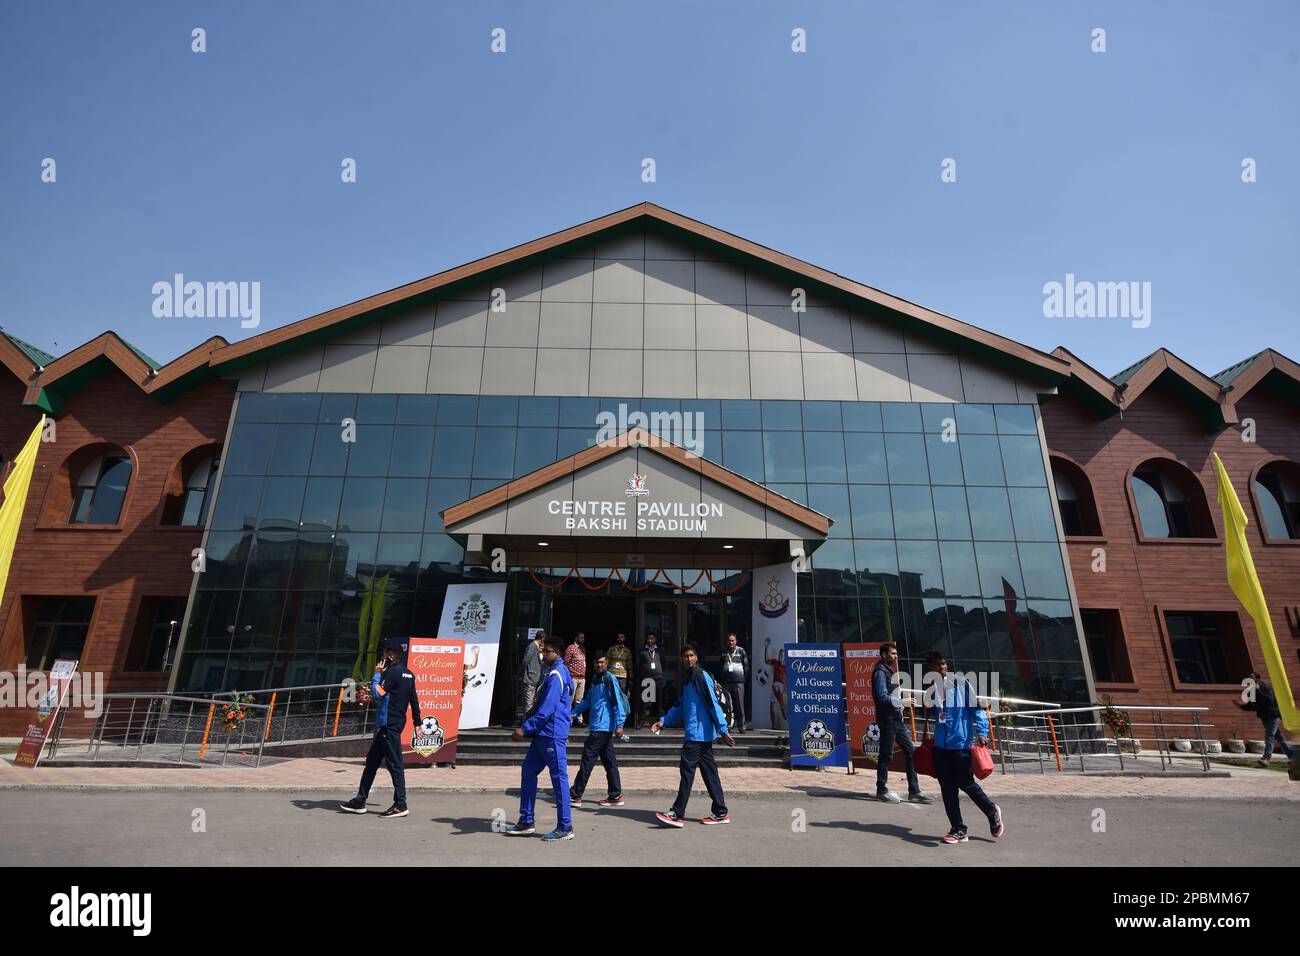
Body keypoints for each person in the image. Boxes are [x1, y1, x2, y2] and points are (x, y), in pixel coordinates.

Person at [652, 645, 735, 827]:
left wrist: (723, 729)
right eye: (685, 656)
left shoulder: (700, 676)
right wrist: (664, 721)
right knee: (710, 774)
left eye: (691, 655)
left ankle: (677, 813)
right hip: (700, 736)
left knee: (687, 772)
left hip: (697, 736)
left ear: (696, 657)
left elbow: (712, 703)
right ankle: (720, 812)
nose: (688, 659)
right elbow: (681, 707)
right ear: (682, 659)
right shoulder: (689, 680)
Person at [925, 652, 1002, 844]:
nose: (941, 667)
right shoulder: (932, 689)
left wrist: (982, 732)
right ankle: (958, 829)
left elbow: (978, 709)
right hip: (941, 747)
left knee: (966, 783)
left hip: (961, 744)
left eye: (943, 664)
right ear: (931, 669)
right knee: (947, 788)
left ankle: (991, 811)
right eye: (937, 665)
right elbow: (934, 712)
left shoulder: (961, 684)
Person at [506, 635, 576, 841]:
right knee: (528, 771)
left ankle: (565, 826)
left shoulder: (556, 675)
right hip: (543, 735)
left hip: (551, 734)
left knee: (559, 779)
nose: (543, 654)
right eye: (543, 650)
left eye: (548, 651)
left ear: (558, 653)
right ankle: (526, 820)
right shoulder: (552, 672)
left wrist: (524, 729)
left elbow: (546, 710)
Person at [340, 641, 421, 818]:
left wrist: (377, 674)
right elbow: (413, 699)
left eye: (384, 655)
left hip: (389, 726)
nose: (381, 658)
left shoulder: (392, 673)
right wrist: (418, 722)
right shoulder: (408, 674)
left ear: (390, 656)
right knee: (371, 763)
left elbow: (378, 693)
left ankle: (401, 804)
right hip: (393, 724)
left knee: (395, 765)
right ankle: (360, 800)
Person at [871, 642, 931, 804]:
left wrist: (899, 705)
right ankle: (881, 790)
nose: (896, 656)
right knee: (886, 754)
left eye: (896, 653)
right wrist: (901, 701)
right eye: (893, 653)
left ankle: (914, 791)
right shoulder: (880, 672)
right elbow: (881, 696)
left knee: (911, 751)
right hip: (887, 719)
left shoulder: (888, 671)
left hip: (895, 718)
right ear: (884, 655)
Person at [570, 654, 629, 808]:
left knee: (587, 760)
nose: (599, 665)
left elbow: (617, 703)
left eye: (602, 662)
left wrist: (620, 724)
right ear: (593, 663)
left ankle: (576, 794)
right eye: (597, 662)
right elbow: (587, 701)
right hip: (599, 727)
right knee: (610, 763)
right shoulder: (595, 679)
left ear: (607, 663)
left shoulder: (610, 679)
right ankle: (615, 795)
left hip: (602, 728)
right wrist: (573, 712)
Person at [1235, 671, 1294, 766]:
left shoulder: (1266, 688)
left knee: (1269, 736)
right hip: (1264, 717)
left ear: (1257, 679)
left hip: (1273, 715)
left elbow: (1269, 701)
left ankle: (1267, 758)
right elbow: (1252, 706)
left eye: (1251, 677)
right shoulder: (1252, 691)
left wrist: (1258, 690)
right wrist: (1240, 706)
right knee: (1279, 738)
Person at [719, 632, 748, 731]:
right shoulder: (723, 651)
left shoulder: (741, 651)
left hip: (738, 681)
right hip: (726, 682)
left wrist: (742, 676)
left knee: (739, 704)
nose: (731, 642)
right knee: (727, 705)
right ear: (727, 641)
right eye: (729, 641)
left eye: (733, 640)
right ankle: (728, 725)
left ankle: (742, 726)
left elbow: (746, 665)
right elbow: (721, 664)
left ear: (736, 641)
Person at [637, 631, 665, 729]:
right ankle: (642, 720)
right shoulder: (642, 651)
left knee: (659, 701)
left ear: (655, 639)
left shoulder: (660, 650)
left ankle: (660, 722)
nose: (650, 640)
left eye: (652, 638)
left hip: (658, 678)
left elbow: (664, 662)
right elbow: (639, 665)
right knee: (645, 700)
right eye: (648, 638)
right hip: (646, 678)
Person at [763, 638, 788, 729]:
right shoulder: (775, 662)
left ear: (785, 656)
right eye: (780, 655)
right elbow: (766, 660)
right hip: (775, 684)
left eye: (782, 655)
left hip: (782, 687)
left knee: (777, 687)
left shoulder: (786, 665)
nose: (780, 656)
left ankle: (782, 706)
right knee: (772, 705)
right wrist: (766, 648)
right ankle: (773, 724)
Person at [519, 631, 544, 717]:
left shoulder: (536, 647)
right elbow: (526, 661)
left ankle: (525, 721)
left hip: (533, 678)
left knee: (529, 702)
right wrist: (521, 672)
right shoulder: (532, 647)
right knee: (528, 702)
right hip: (530, 677)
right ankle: (526, 723)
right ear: (542, 638)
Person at [566, 632, 588, 726]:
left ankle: (579, 720)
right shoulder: (571, 648)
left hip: (582, 678)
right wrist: (567, 677)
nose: (583, 639)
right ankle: (568, 720)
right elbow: (566, 662)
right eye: (581, 638)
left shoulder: (583, 649)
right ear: (576, 638)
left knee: (579, 700)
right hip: (573, 677)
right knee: (570, 700)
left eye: (583, 638)